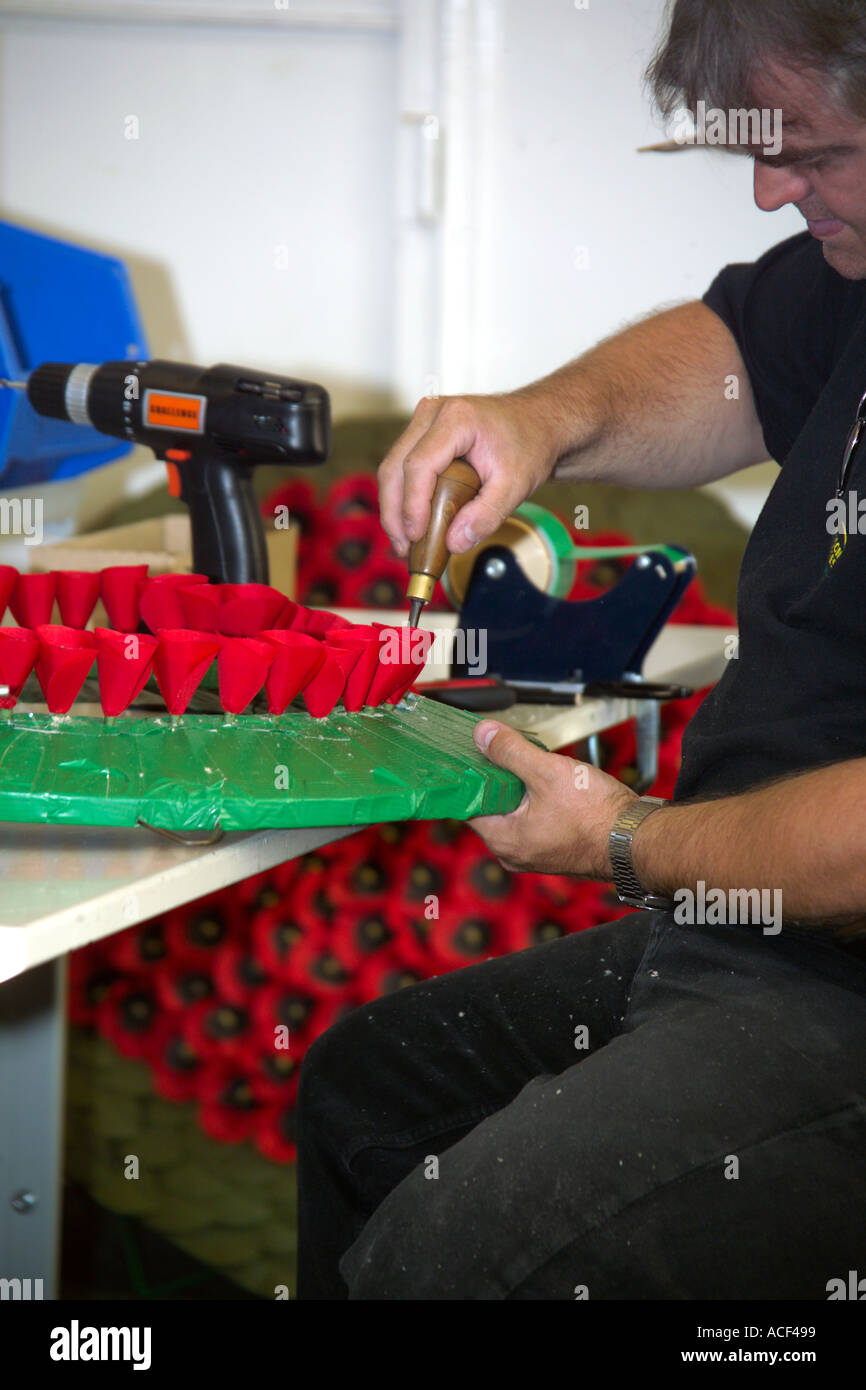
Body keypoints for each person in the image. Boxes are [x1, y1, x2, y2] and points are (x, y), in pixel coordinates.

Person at [296, 0, 866, 1299]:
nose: (769, 191)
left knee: (455, 1253)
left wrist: (624, 840)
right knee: (367, 1087)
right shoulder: (849, 276)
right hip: (754, 928)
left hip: (840, 971)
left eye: (815, 154)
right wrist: (540, 417)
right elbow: (737, 350)